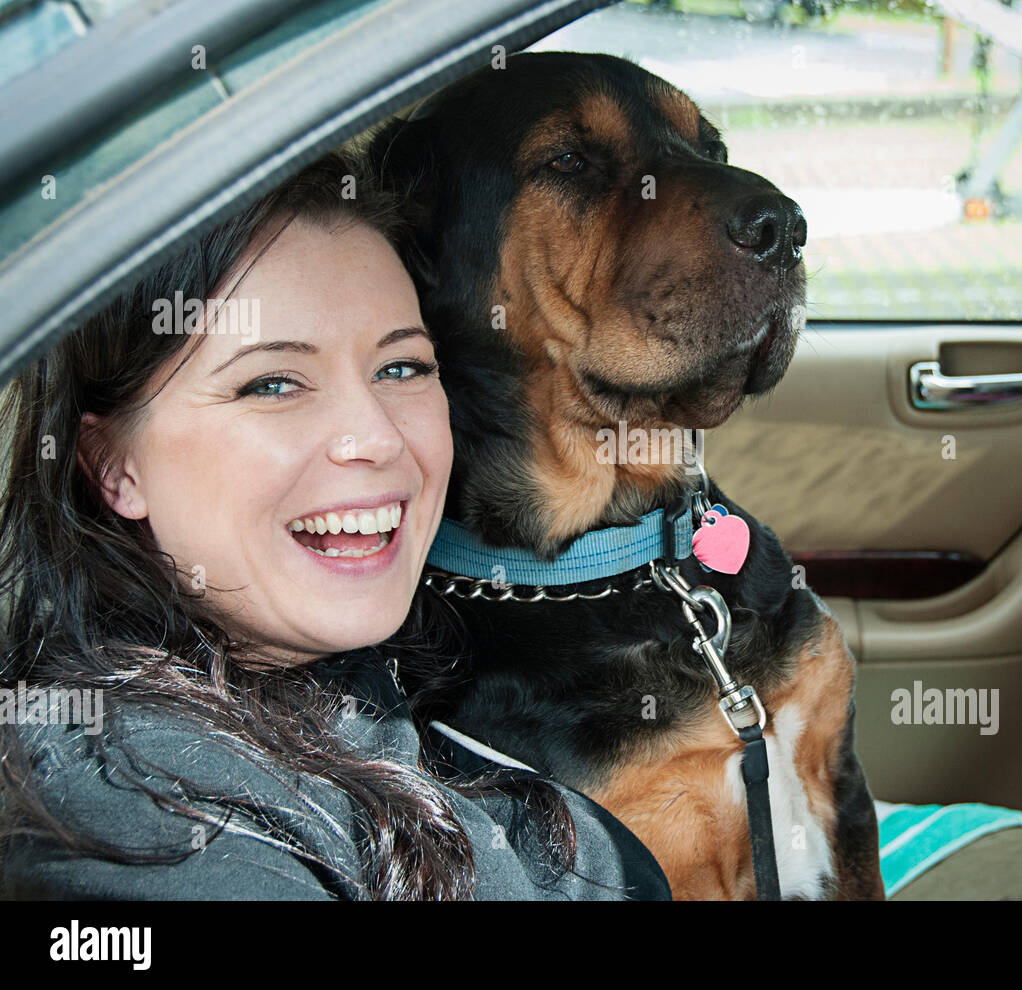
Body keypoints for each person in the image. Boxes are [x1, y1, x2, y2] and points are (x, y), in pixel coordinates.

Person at [0, 150, 669, 901]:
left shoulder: (381, 692)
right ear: (111, 464)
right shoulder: (137, 826)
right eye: (274, 383)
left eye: (401, 368)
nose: (378, 438)